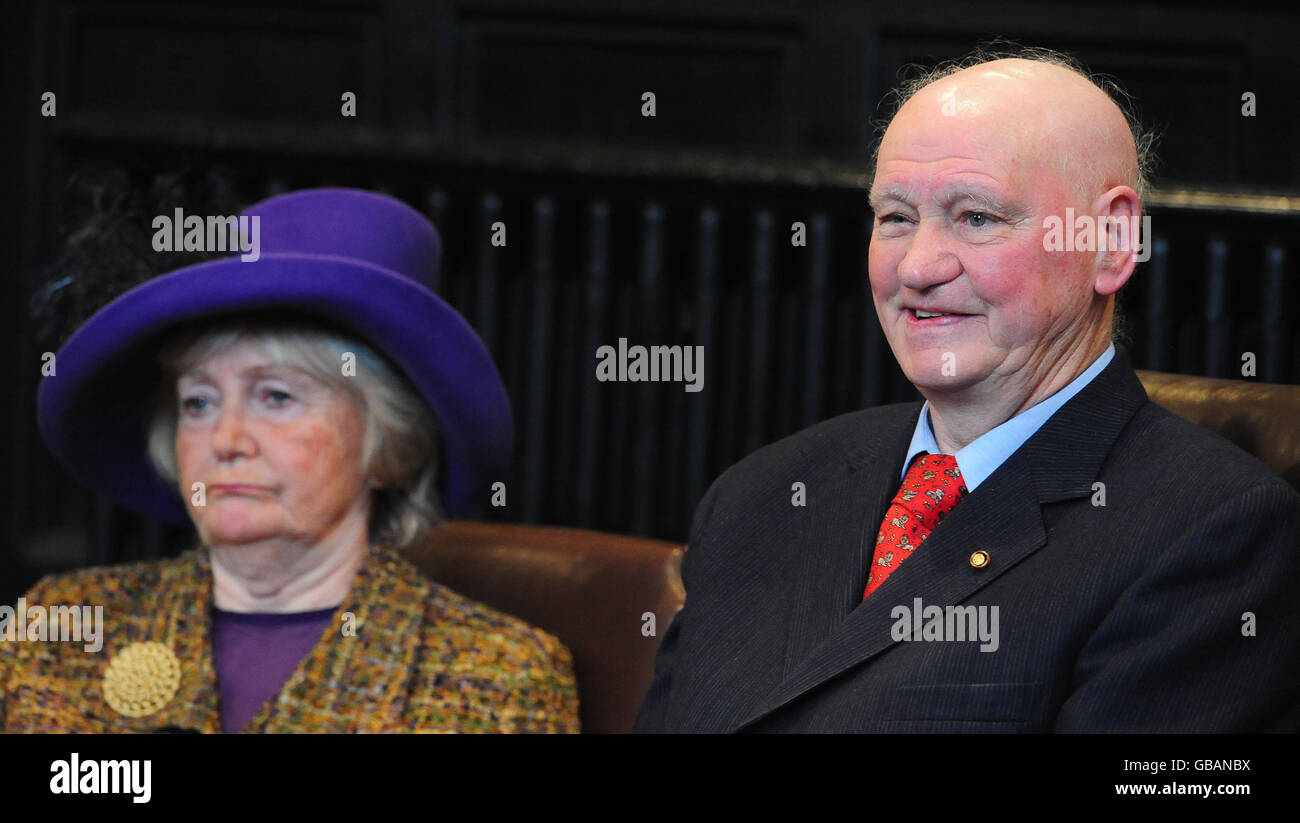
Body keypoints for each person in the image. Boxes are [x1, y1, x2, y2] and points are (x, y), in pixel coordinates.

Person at [635, 48, 1300, 732]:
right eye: (895, 216)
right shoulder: (759, 493)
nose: (918, 266)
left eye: (976, 217)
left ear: (1110, 240)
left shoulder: (1216, 536)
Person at [1, 186, 581, 732]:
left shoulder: (498, 675)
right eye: (198, 402)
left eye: (276, 397)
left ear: (387, 447)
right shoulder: (62, 624)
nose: (226, 439)